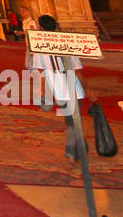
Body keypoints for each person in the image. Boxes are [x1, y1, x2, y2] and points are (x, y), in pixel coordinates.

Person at [28, 14, 87, 160]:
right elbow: (77, 70)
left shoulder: (39, 46)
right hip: (75, 88)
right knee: (74, 119)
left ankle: (76, 150)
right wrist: (87, 88)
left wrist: (42, 91)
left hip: (60, 89)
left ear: (40, 27)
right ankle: (79, 147)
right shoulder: (67, 42)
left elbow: (41, 72)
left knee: (71, 120)